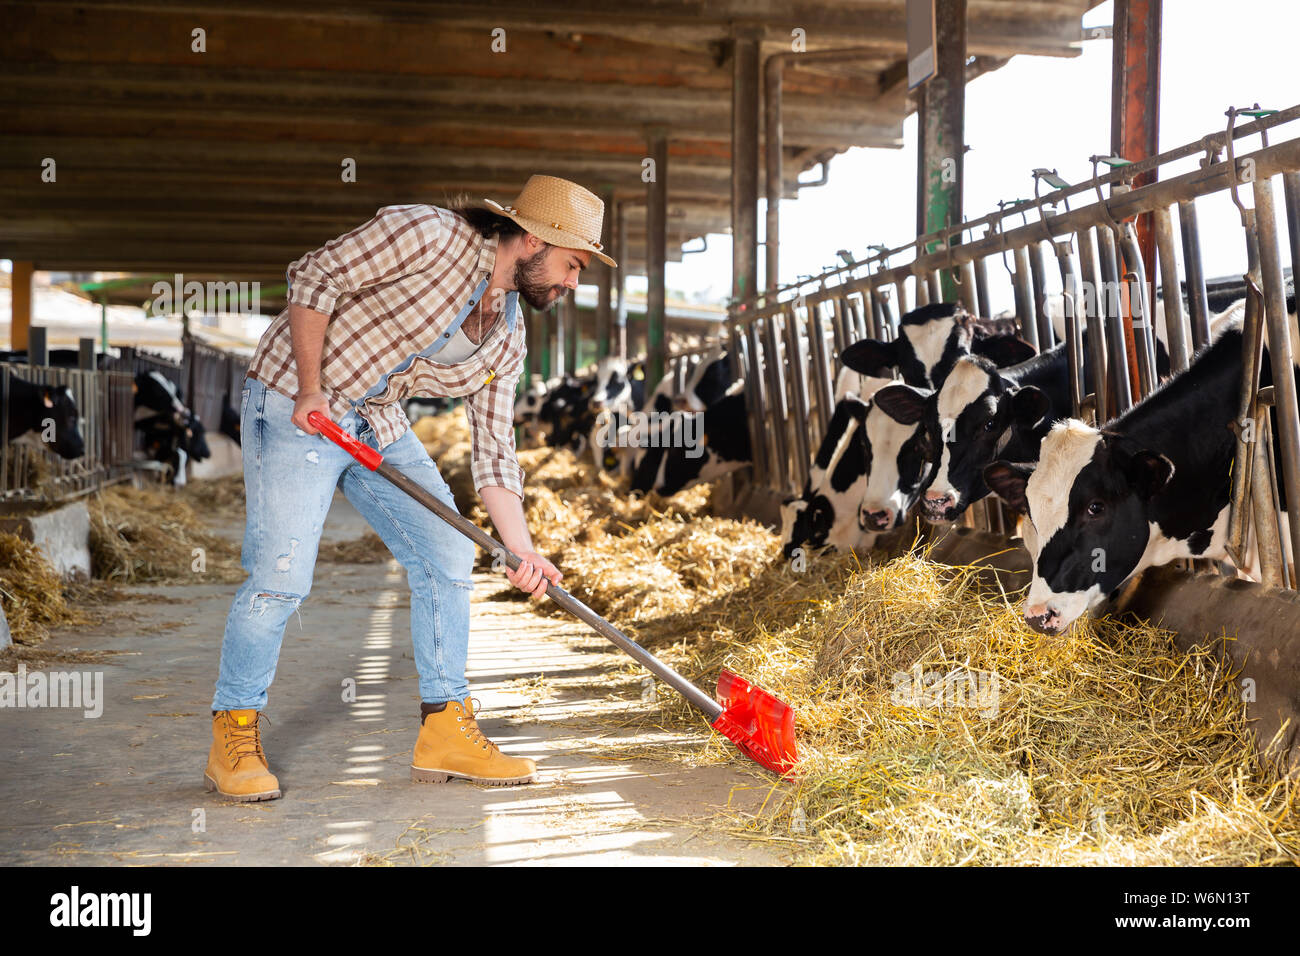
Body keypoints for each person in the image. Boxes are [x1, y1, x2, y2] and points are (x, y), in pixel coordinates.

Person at [204, 175, 616, 800]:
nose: (573, 283)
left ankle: (446, 730)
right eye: (571, 265)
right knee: (281, 575)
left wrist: (522, 549)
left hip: (374, 417)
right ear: (532, 239)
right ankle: (233, 733)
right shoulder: (428, 235)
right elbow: (312, 276)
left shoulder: (507, 336)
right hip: (297, 399)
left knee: (448, 551)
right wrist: (313, 387)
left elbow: (494, 449)